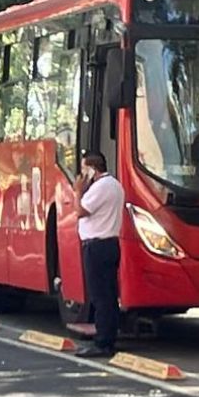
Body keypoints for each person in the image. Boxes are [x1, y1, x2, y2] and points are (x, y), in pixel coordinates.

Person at [73, 153, 125, 358]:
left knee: (100, 295)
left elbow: (80, 211)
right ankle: (109, 337)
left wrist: (78, 191)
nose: (82, 174)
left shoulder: (101, 187)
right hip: (110, 243)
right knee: (109, 294)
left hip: (97, 246)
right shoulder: (115, 185)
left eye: (84, 169)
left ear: (93, 169)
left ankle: (103, 342)